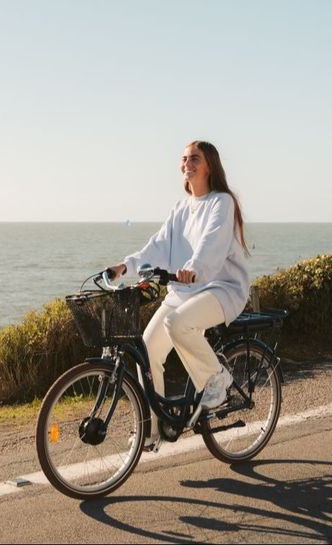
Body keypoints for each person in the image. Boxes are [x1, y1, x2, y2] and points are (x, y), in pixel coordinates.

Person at [108, 140, 250, 448]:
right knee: (147, 352)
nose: (187, 163)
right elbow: (157, 246)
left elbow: (211, 243)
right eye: (184, 158)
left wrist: (194, 267)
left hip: (221, 288)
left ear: (209, 165)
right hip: (184, 291)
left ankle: (217, 378)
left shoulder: (222, 202)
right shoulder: (180, 208)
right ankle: (152, 429)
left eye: (195, 158)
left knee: (178, 324)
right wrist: (127, 265)